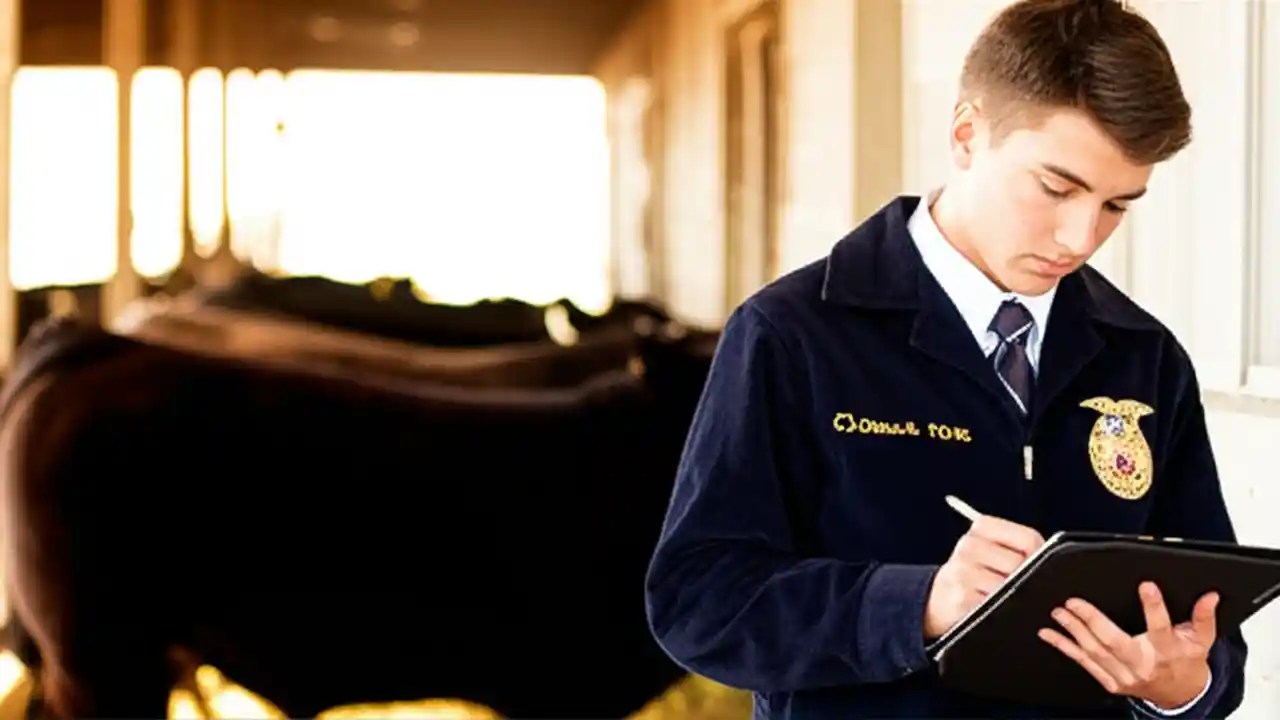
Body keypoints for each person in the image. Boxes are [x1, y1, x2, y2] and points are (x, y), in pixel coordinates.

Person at [642, 0, 1247, 717]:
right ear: (966, 134)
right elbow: (699, 601)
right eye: (1056, 188)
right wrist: (917, 602)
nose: (1081, 236)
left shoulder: (1145, 360)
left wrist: (1186, 689)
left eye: (1119, 205)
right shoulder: (792, 334)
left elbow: (1211, 628)